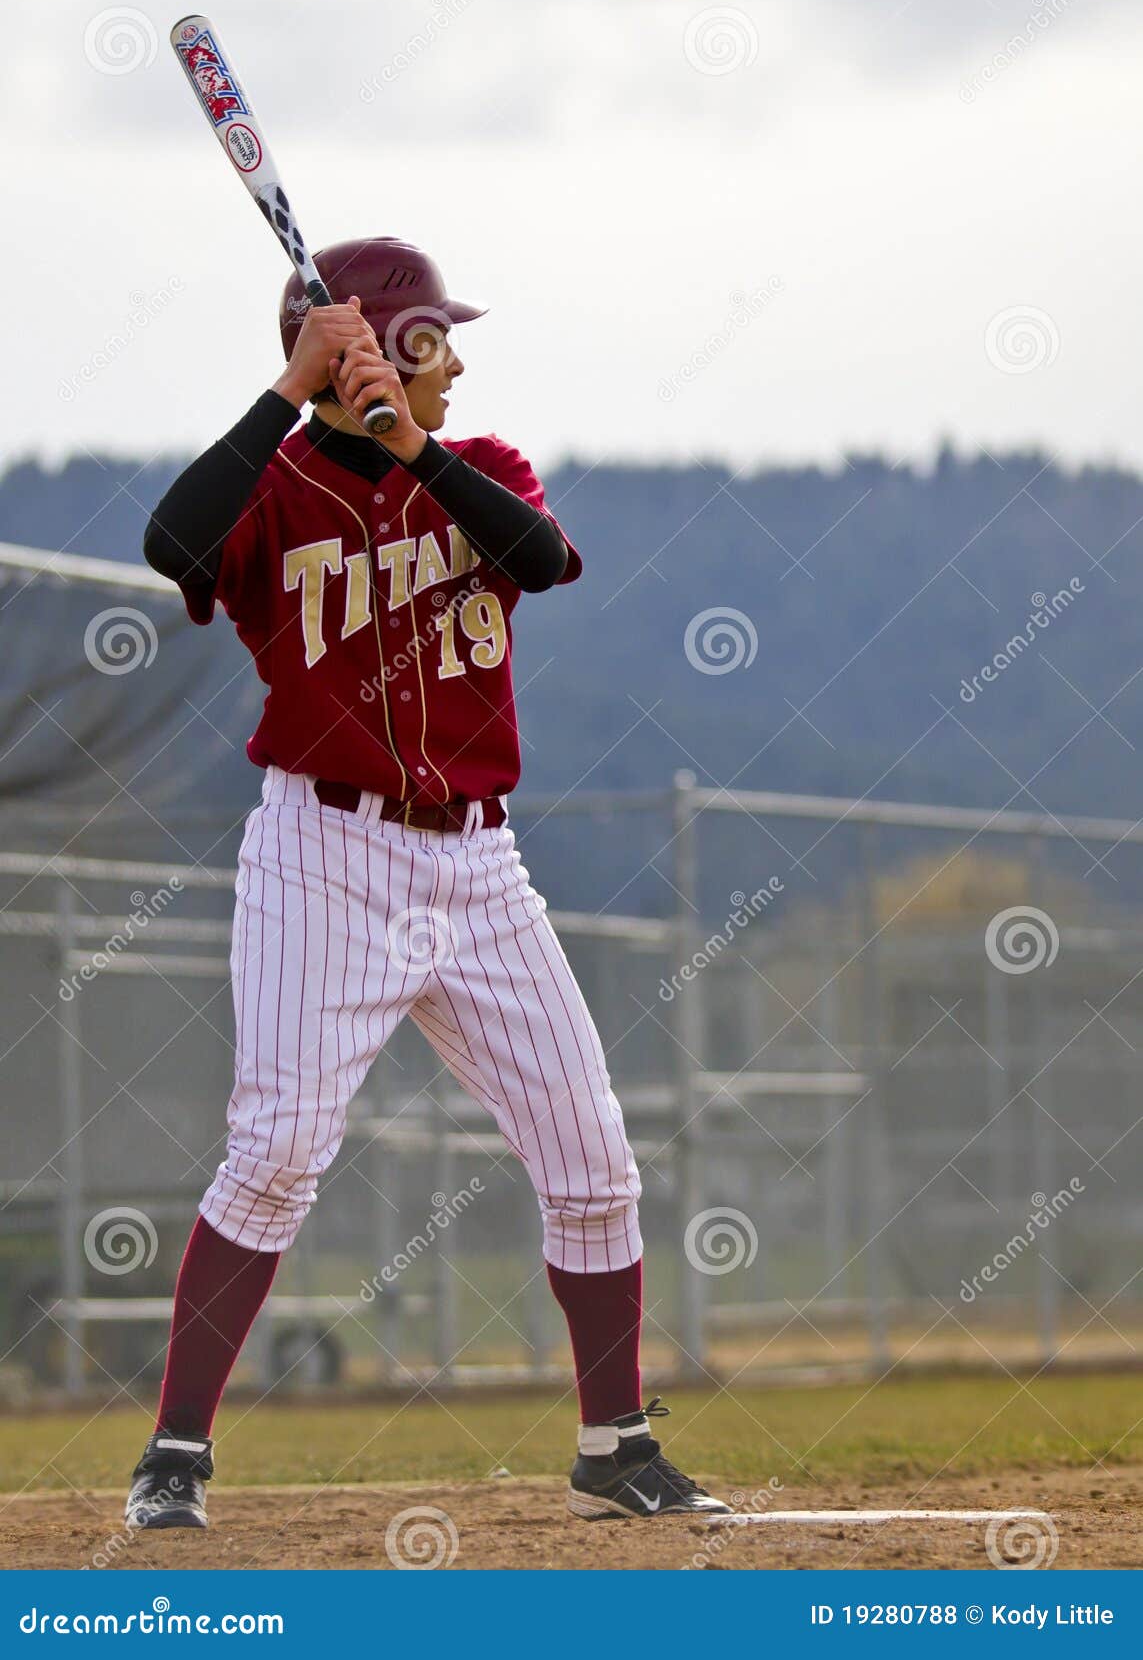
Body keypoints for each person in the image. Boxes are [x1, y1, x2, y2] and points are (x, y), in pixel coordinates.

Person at [124, 237, 729, 1531]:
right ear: (369, 351)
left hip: (476, 858)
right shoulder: (273, 490)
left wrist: (408, 447)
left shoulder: (481, 470)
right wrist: (290, 389)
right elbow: (169, 539)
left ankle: (615, 1444)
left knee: (594, 1157)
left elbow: (545, 556)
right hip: (320, 853)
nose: (454, 357)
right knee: (277, 1149)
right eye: (430, 337)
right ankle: (174, 1453)